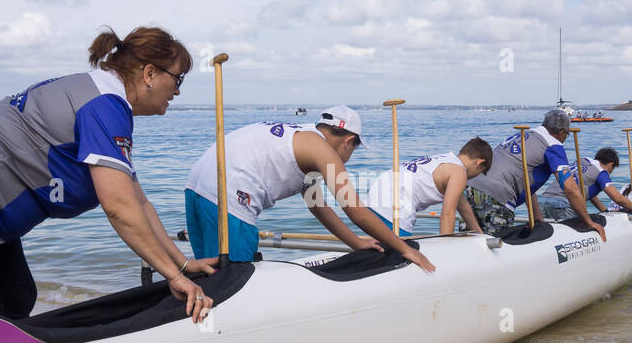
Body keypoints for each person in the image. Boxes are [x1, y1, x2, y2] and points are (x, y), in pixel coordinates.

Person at [0, 26, 216, 323]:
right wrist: (174, 279)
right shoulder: (104, 105)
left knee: (16, 298)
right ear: (149, 74)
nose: (176, 91)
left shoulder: (102, 93)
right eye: (178, 79)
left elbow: (138, 202)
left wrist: (184, 264)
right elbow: (119, 207)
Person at [184, 108, 435, 272]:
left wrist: (356, 242)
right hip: (229, 196)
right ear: (349, 141)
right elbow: (356, 211)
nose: (349, 156)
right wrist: (403, 249)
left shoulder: (303, 138)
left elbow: (317, 205)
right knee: (232, 282)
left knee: (210, 275)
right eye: (354, 150)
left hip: (197, 185)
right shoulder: (320, 149)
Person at [467, 109, 592, 233]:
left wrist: (537, 218)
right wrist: (588, 221)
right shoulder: (553, 145)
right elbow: (569, 188)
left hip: (471, 187)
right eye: (567, 135)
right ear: (561, 132)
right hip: (497, 195)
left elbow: (527, 182)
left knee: (471, 240)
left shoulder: (522, 136)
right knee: (497, 244)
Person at [364, 138, 492, 236]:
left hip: (376, 193)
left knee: (383, 247)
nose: (476, 176)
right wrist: (447, 248)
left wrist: (480, 235)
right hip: (395, 202)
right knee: (400, 251)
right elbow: (447, 214)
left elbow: (464, 208)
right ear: (479, 163)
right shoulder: (459, 172)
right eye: (481, 172)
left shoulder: (446, 160)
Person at [554, 148, 632, 226]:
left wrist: (606, 212)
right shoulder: (601, 172)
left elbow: (592, 197)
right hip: (565, 205)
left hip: (545, 201)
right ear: (610, 164)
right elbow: (618, 199)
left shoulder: (583, 161)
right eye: (612, 169)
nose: (610, 173)